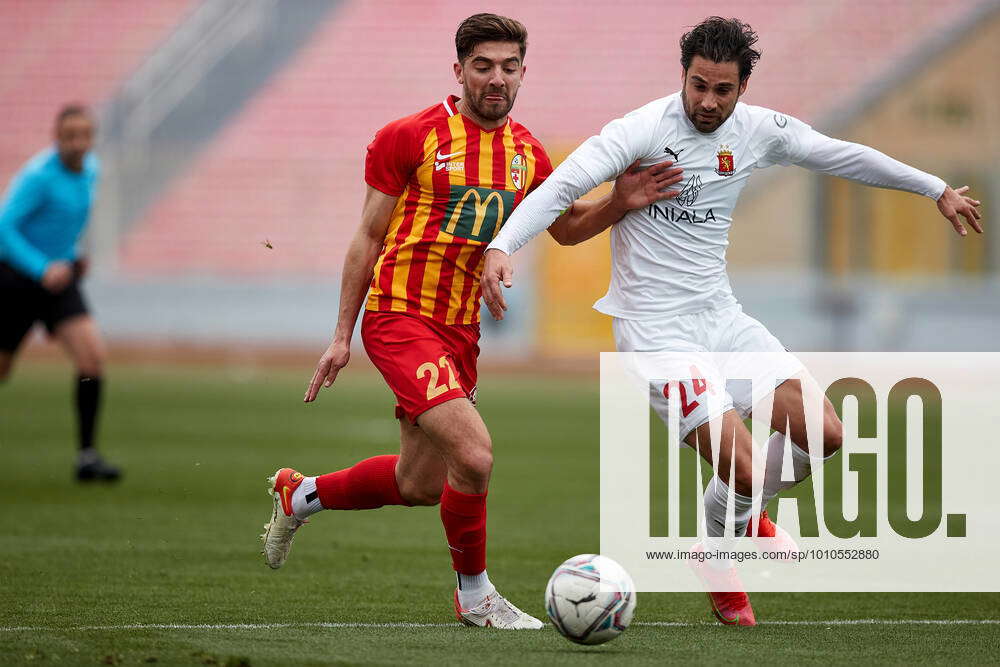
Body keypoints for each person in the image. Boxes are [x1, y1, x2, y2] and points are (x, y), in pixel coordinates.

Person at [481, 16, 982, 626]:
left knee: (824, 433)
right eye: (698, 85)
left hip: (721, 318)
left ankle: (739, 519)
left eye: (722, 90)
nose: (708, 102)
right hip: (656, 332)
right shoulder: (641, 130)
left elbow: (840, 155)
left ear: (743, 87)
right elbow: (561, 188)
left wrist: (934, 188)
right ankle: (718, 556)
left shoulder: (759, 131)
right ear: (683, 75)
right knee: (741, 465)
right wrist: (503, 245)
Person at [259, 13, 681, 629]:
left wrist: (618, 202)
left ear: (523, 73)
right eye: (483, 66)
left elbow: (565, 230)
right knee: (476, 456)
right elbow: (367, 237)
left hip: (460, 331)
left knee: (420, 483)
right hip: (400, 316)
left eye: (509, 67)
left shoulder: (528, 153)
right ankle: (476, 596)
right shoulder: (409, 137)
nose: (496, 78)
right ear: (458, 70)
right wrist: (341, 336)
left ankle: (301, 494)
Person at [0, 104, 120, 482]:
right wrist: (41, 267)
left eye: (84, 136)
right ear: (57, 138)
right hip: (17, 280)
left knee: (92, 358)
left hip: (60, 280)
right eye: (69, 136)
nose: (77, 143)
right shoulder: (38, 176)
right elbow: (4, 227)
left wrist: (73, 256)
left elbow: (64, 223)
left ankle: (87, 457)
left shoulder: (91, 171)